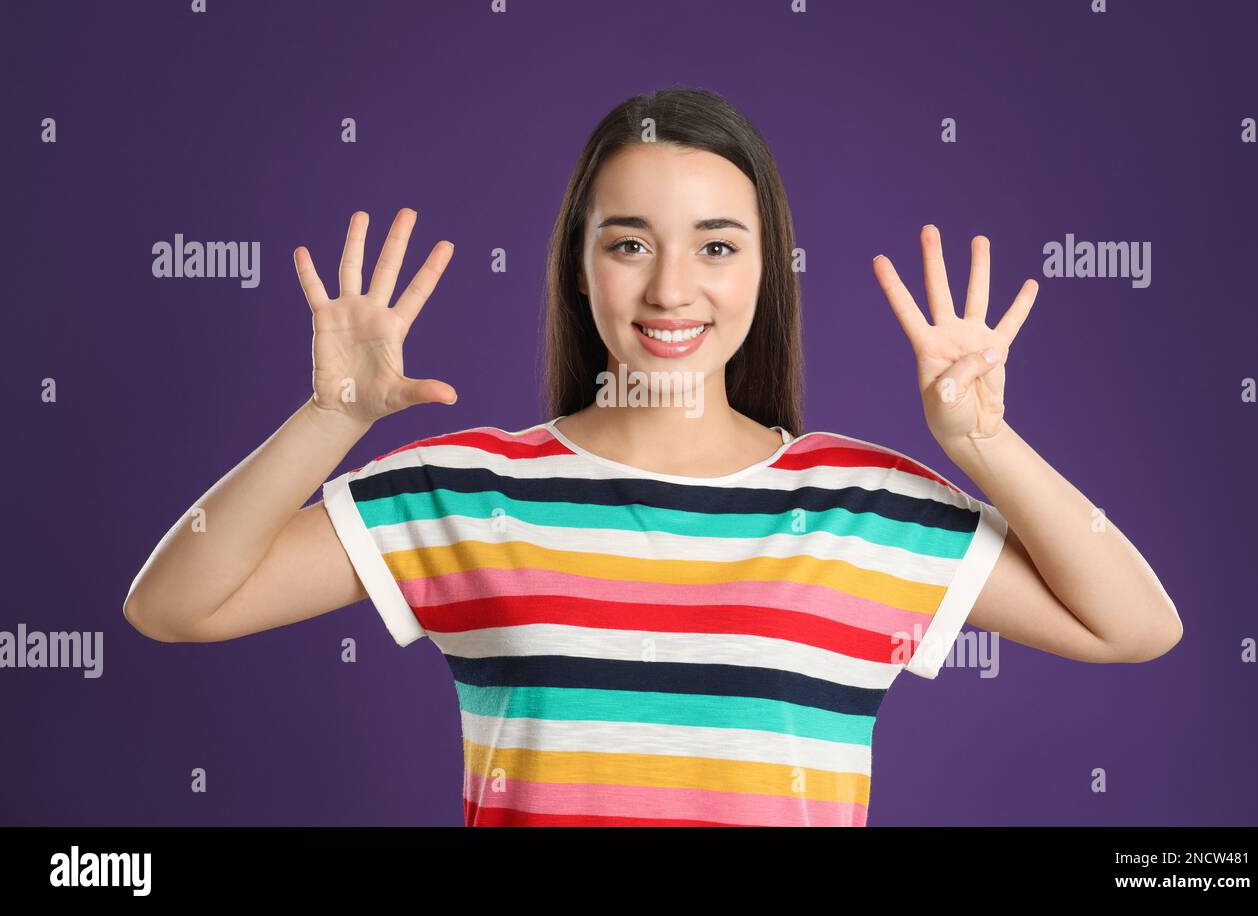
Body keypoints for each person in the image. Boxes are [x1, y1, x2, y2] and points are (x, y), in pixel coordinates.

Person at [123, 87, 1182, 826]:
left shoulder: (870, 507)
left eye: (717, 244)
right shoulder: (464, 489)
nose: (672, 287)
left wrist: (981, 442)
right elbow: (175, 603)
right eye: (628, 242)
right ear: (579, 267)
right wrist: (331, 417)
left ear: (765, 269)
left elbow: (1134, 624)